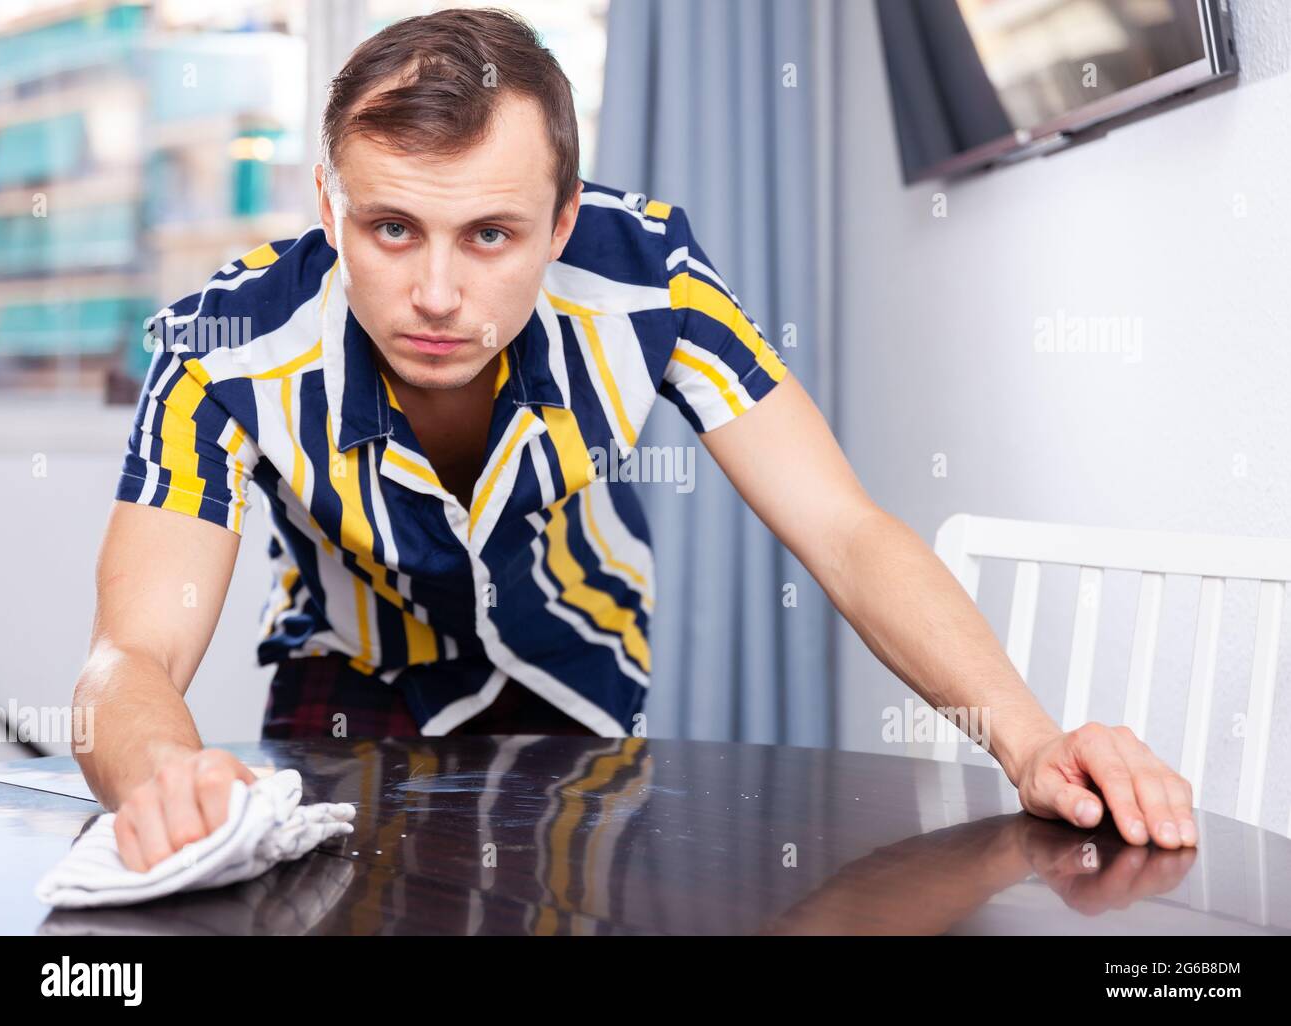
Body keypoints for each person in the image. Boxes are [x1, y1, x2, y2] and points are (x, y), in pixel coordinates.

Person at [72, 8, 1197, 872]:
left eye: (493, 234)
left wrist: (1031, 743)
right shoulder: (223, 340)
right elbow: (135, 653)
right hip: (345, 679)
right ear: (330, 207)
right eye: (392, 227)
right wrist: (163, 772)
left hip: (579, 671)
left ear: (563, 223)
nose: (435, 292)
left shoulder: (647, 273)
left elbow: (844, 532)